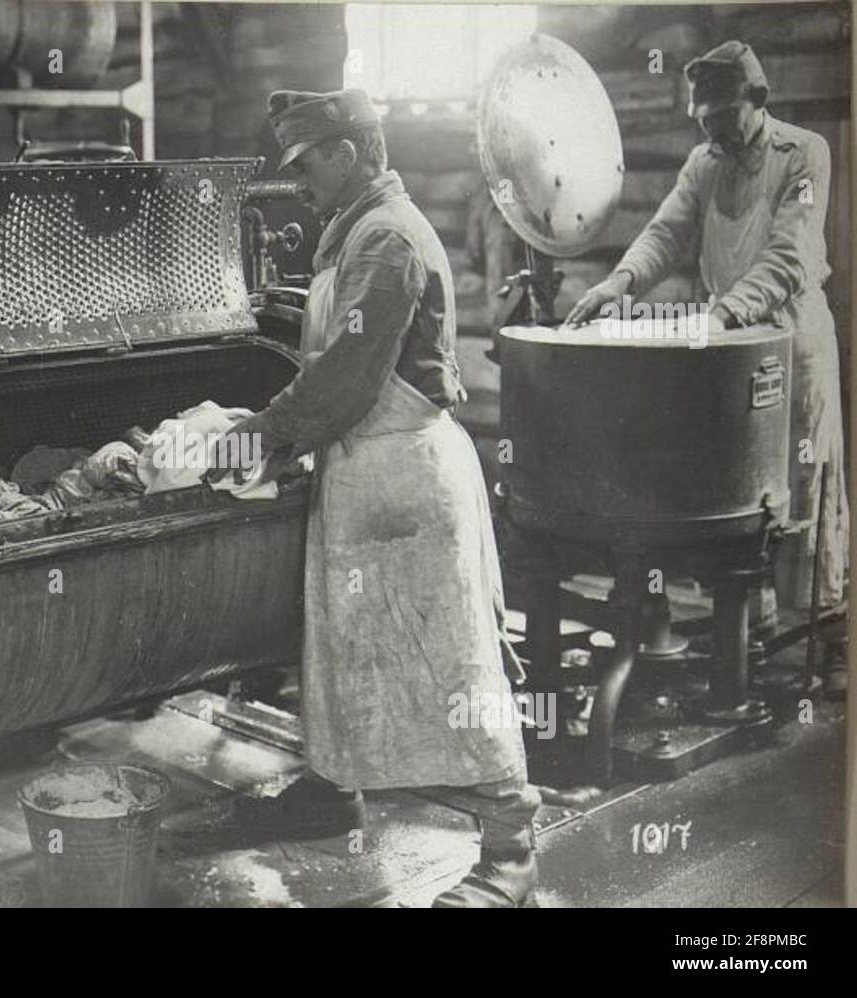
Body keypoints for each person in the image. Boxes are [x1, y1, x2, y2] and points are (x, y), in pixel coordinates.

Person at [206, 89, 540, 908]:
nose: (300, 180)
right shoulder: (351, 230)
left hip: (406, 480)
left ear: (349, 154)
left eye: (308, 161)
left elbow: (348, 378)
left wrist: (254, 437)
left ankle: (511, 850)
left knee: (448, 664)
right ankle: (333, 788)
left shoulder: (387, 240)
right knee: (343, 642)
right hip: (361, 471)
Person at [566, 41, 849, 698]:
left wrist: (725, 316)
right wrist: (620, 283)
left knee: (806, 481)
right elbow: (667, 233)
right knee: (743, 485)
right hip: (730, 349)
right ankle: (753, 626)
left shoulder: (804, 154)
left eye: (725, 117)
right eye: (704, 121)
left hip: (791, 336)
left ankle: (831, 639)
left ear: (759, 101)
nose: (715, 131)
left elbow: (789, 255)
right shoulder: (703, 163)